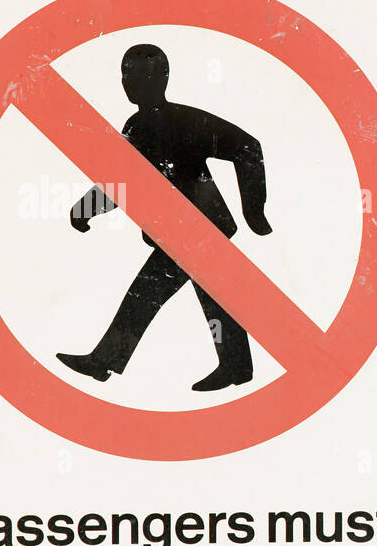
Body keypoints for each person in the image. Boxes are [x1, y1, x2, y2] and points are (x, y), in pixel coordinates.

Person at [57, 43, 272, 392]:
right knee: (215, 296)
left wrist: (255, 212)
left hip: (195, 232)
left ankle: (103, 361)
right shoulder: (139, 124)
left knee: (144, 295)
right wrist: (84, 211)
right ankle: (237, 366)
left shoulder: (178, 121)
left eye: (139, 75)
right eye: (125, 74)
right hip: (188, 231)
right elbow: (122, 182)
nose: (130, 82)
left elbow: (248, 147)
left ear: (162, 78)